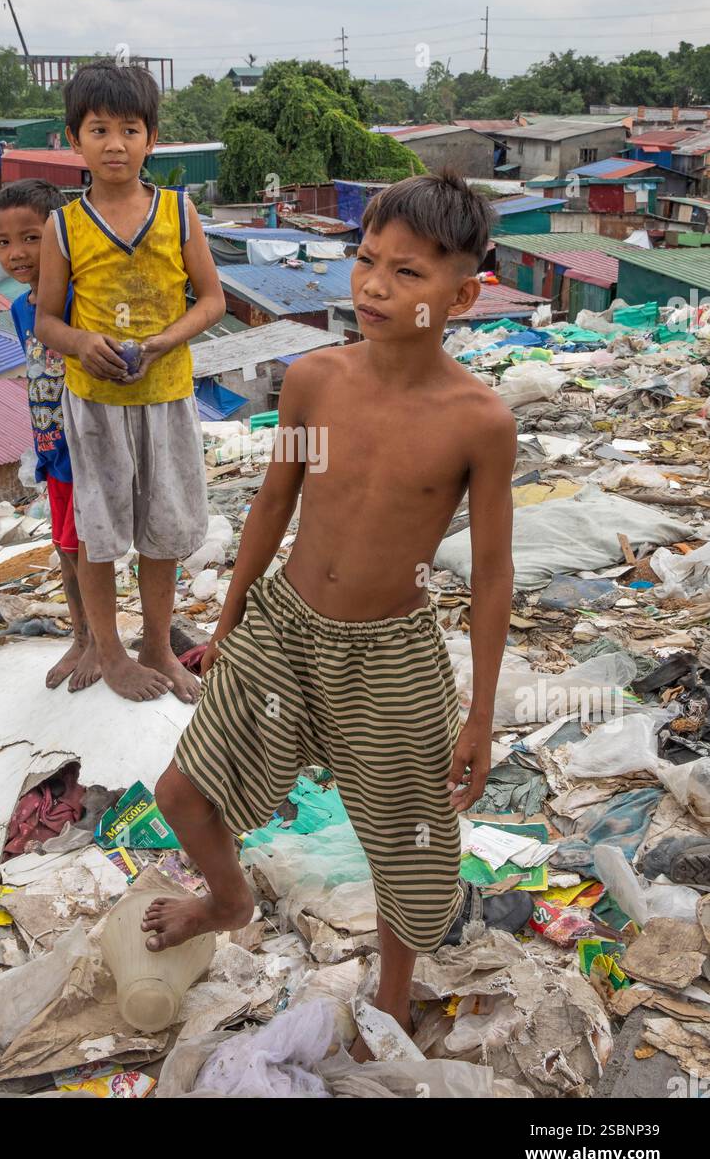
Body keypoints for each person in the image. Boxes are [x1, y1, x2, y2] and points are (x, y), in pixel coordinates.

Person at [142, 170, 517, 1060]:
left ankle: (391, 996)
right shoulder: (315, 379)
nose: (375, 288)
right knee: (181, 793)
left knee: (408, 848)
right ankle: (227, 900)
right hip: (284, 625)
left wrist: (481, 712)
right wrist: (231, 620)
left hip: (391, 651)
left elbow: (494, 573)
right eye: (366, 260)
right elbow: (274, 503)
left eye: (408, 274)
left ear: (462, 294)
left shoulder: (479, 422)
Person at [35, 60, 226, 705]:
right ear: (72, 139)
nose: (115, 144)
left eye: (129, 129)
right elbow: (46, 321)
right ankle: (111, 653)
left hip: (167, 397)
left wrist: (167, 338)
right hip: (95, 407)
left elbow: (212, 300)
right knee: (99, 531)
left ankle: (157, 649)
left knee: (163, 530)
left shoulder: (178, 211)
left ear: (152, 139)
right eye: (99, 129)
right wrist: (83, 343)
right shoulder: (64, 226)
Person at [0, 179, 100, 692]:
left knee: (88, 548)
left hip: (88, 447)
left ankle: (102, 642)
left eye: (31, 238)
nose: (16, 253)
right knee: (64, 547)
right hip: (51, 446)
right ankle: (80, 637)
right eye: (4, 241)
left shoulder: (82, 300)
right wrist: (42, 447)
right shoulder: (19, 308)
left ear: (60, 237)